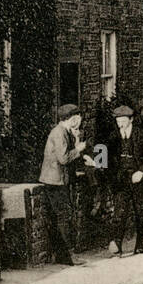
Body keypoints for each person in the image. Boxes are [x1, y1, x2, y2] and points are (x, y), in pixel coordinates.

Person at [39, 103, 90, 264]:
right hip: (55, 181)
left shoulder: (63, 131)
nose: (81, 121)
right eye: (78, 117)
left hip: (57, 180)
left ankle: (61, 255)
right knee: (64, 217)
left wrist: (76, 141)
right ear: (73, 119)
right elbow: (63, 158)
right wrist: (80, 149)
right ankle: (67, 257)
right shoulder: (59, 133)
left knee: (60, 217)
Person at [107, 105, 143, 256]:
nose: (120, 123)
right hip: (121, 180)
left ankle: (139, 243)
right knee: (119, 212)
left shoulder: (141, 134)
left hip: (137, 179)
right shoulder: (113, 137)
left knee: (140, 211)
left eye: (123, 120)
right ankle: (117, 243)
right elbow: (106, 157)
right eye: (118, 120)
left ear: (131, 119)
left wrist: (142, 172)